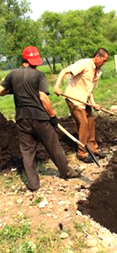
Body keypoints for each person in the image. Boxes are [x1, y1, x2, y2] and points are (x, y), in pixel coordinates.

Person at [0, 46, 82, 191]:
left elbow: (1, 91)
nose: (36, 64)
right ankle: (66, 172)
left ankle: (33, 185)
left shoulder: (12, 74)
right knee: (53, 146)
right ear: (28, 61)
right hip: (39, 117)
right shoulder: (38, 75)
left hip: (21, 119)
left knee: (27, 151)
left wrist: (12, 89)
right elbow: (43, 97)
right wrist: (52, 116)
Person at [54, 48, 109, 163]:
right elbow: (65, 71)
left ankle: (93, 149)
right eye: (104, 60)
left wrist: (93, 104)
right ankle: (82, 153)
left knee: (91, 122)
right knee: (83, 123)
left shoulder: (97, 71)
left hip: (85, 99)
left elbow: (89, 90)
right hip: (74, 98)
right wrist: (57, 86)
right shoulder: (84, 64)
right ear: (97, 57)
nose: (104, 63)